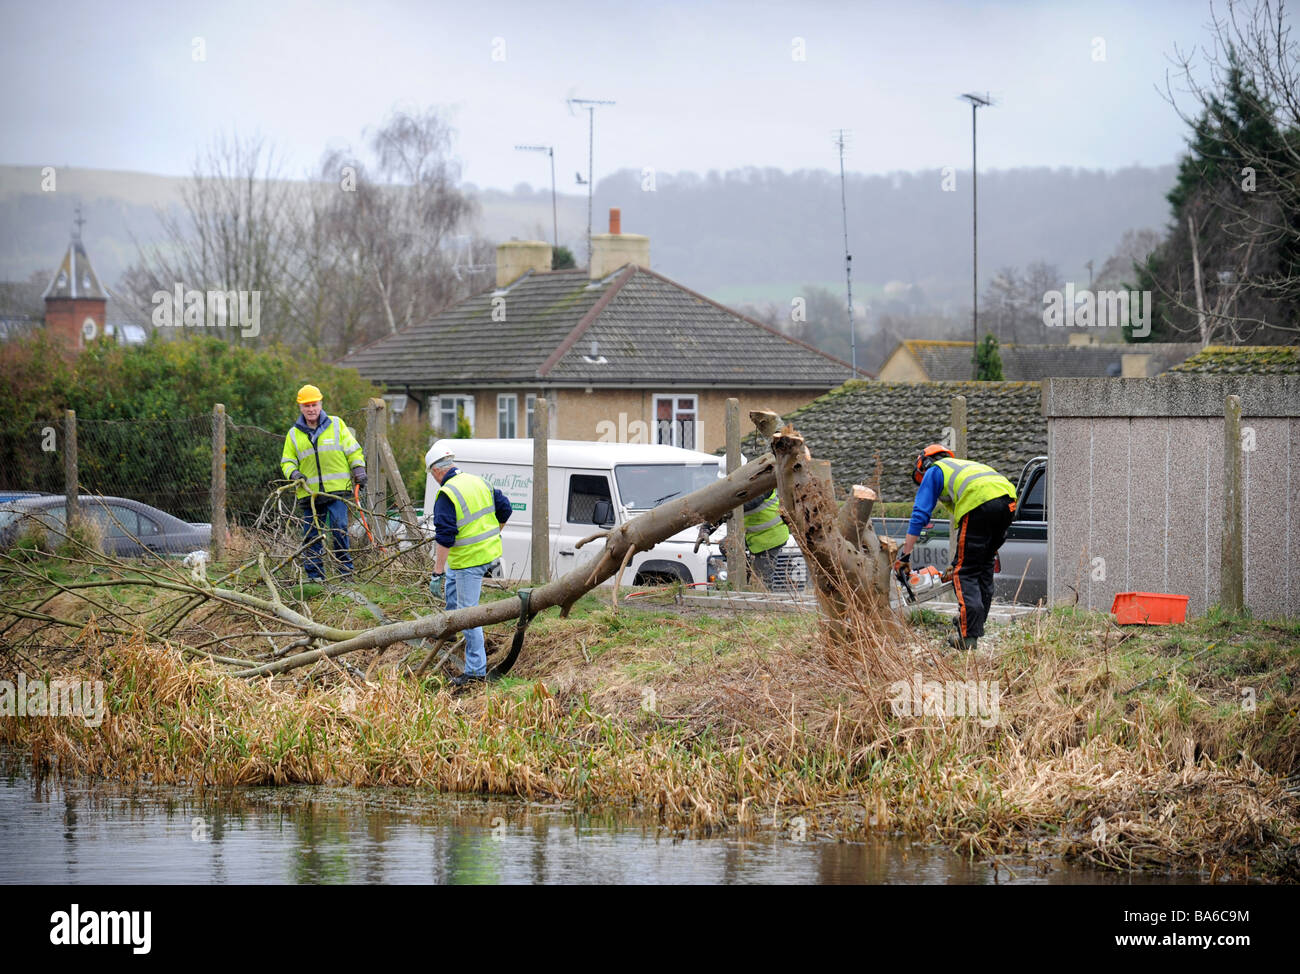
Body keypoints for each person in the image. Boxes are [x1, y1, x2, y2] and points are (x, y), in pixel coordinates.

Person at [894, 444, 1017, 651]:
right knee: (983, 566)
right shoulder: (965, 467)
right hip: (1008, 503)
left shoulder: (935, 470)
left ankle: (968, 637)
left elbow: (919, 515)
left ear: (924, 465)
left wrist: (904, 556)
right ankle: (974, 624)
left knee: (965, 573)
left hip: (979, 504)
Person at [426, 447, 512, 687]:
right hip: (485, 554)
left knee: (469, 614)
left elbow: (445, 537)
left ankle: (475, 671)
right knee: (453, 590)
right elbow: (505, 509)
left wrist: (437, 571)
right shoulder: (479, 481)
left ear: (436, 471)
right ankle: (449, 628)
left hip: (468, 561)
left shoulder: (446, 494)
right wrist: (493, 535)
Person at [280, 384, 366, 581]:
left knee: (339, 529)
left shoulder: (336, 424)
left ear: (321, 404)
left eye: (314, 405)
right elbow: (287, 461)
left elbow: (353, 450)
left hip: (337, 491)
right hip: (309, 493)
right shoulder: (293, 434)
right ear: (300, 408)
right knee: (311, 535)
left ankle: (346, 574)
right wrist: (294, 474)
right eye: (307, 406)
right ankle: (315, 577)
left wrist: (359, 468)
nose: (311, 409)